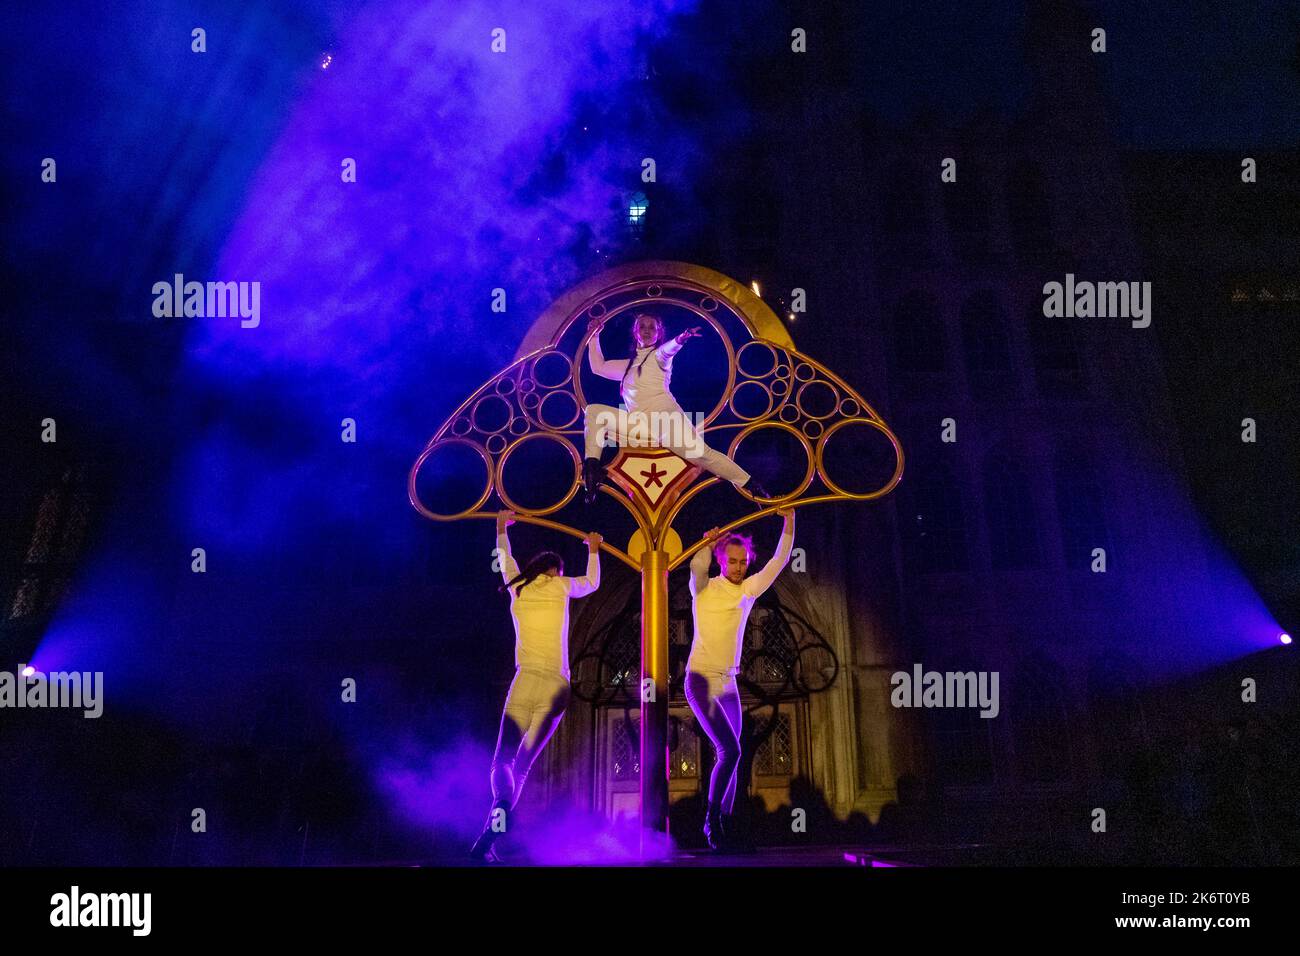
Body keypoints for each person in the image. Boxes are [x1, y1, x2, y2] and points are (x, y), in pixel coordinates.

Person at [469, 509, 602, 861]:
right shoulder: (561, 586)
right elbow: (592, 583)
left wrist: (501, 528)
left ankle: (499, 807)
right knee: (523, 765)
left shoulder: (518, 587)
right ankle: (493, 834)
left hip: (525, 679)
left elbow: (505, 558)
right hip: (556, 686)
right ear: (556, 571)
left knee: (503, 761)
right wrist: (593, 548)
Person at [686, 507, 795, 851]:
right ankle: (712, 820)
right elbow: (695, 567)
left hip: (728, 682)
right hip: (700, 679)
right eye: (732, 561)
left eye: (743, 561)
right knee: (728, 749)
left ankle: (724, 826)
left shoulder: (746, 590)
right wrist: (708, 543)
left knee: (732, 755)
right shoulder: (704, 589)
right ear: (722, 561)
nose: (738, 567)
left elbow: (777, 561)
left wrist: (789, 522)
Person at [581, 312, 769, 504]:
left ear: (658, 333)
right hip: (639, 426)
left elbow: (667, 351)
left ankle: (751, 484)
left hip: (665, 422)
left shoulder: (657, 356)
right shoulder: (628, 366)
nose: (647, 330)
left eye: (652, 327)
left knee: (703, 455)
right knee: (595, 412)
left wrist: (681, 338)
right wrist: (594, 336)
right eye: (642, 326)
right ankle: (591, 470)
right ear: (635, 331)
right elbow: (598, 367)